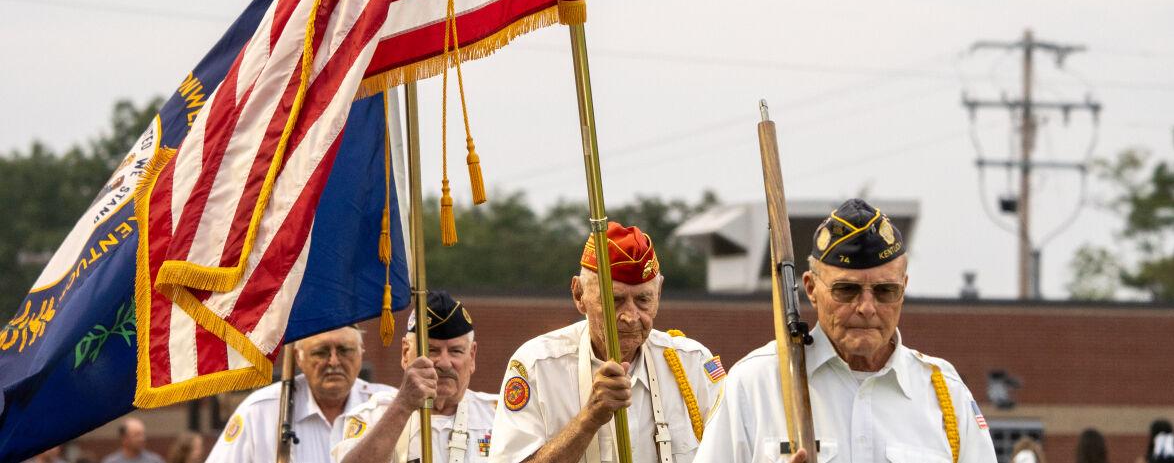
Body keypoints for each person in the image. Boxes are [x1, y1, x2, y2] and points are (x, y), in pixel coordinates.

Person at [697, 198, 998, 463]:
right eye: (847, 290)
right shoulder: (755, 385)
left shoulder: (944, 395)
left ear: (903, 290)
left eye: (884, 291)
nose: (866, 307)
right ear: (811, 289)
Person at [489, 221, 724, 463]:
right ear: (579, 295)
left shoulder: (693, 364)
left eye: (643, 300)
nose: (630, 317)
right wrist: (589, 419)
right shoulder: (537, 366)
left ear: (659, 293)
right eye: (615, 300)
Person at [333, 290, 497, 462]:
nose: (444, 363)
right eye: (431, 350)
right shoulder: (374, 416)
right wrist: (403, 405)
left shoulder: (497, 417)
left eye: (455, 351)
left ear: (472, 356)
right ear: (405, 353)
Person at [205, 326, 392, 463]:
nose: (334, 361)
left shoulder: (388, 407)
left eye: (345, 350)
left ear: (361, 353)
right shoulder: (259, 413)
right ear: (298, 358)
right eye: (321, 352)